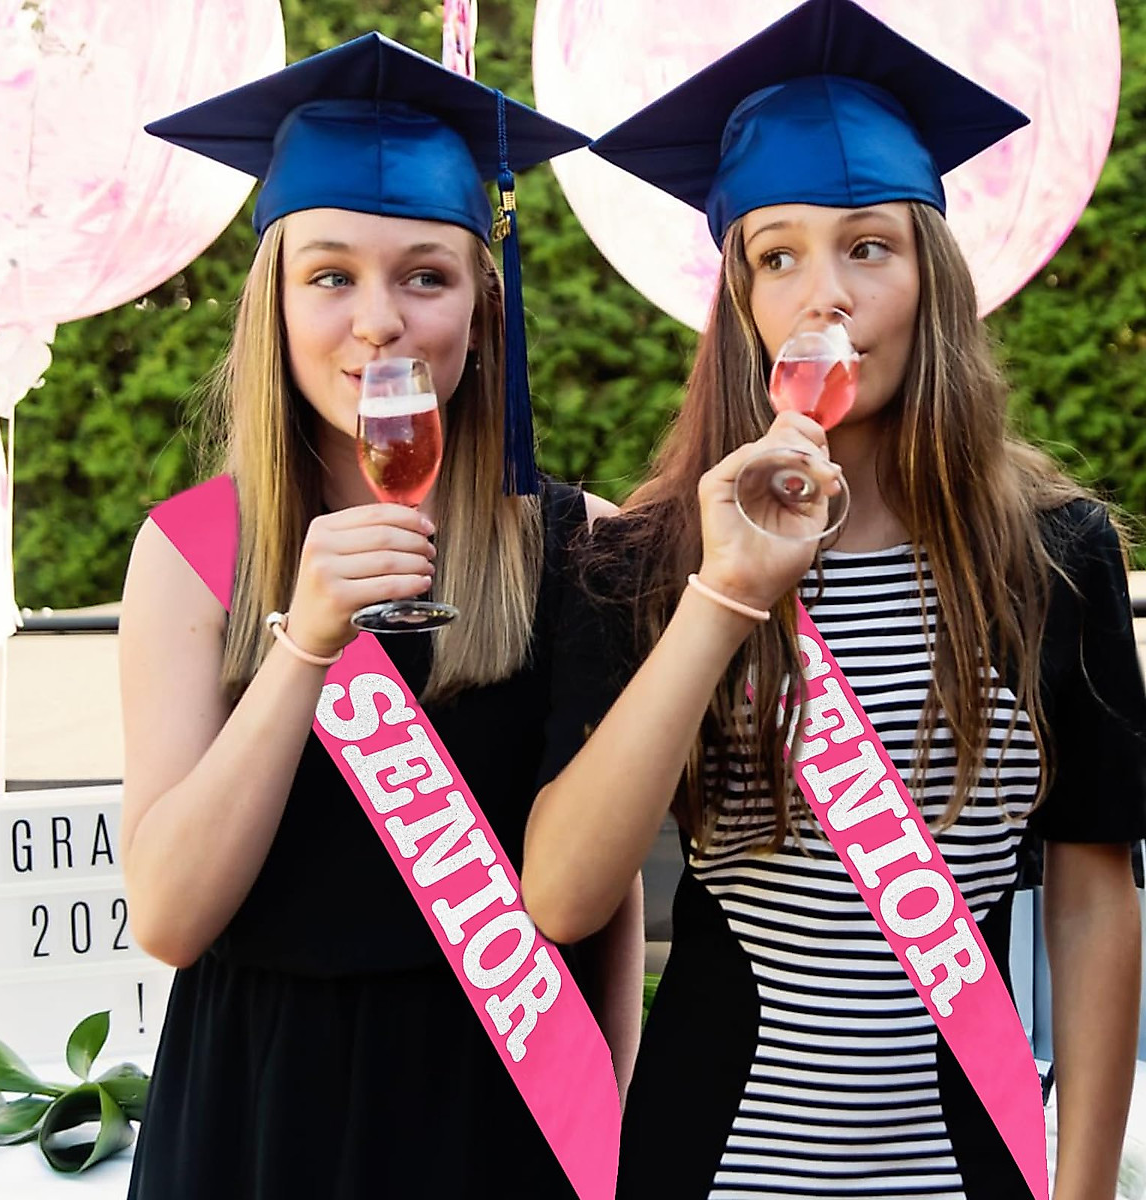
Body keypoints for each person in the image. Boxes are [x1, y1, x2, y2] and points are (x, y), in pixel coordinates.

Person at [520, 1, 1146, 1197]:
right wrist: (725, 591)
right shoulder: (649, 558)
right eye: (779, 255)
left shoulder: (1055, 557)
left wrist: (1086, 1188)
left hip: (973, 1156)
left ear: (932, 278)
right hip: (717, 1154)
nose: (826, 296)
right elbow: (561, 893)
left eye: (869, 247)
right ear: (743, 304)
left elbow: (1091, 898)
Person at [118, 32, 642, 1200]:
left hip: (499, 1098)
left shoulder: (576, 545)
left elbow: (599, 907)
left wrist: (602, 1119)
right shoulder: (192, 552)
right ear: (275, 304)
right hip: (259, 1109)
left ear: (480, 305)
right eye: (330, 276)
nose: (378, 322)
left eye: (425, 275)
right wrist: (302, 645)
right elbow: (167, 916)